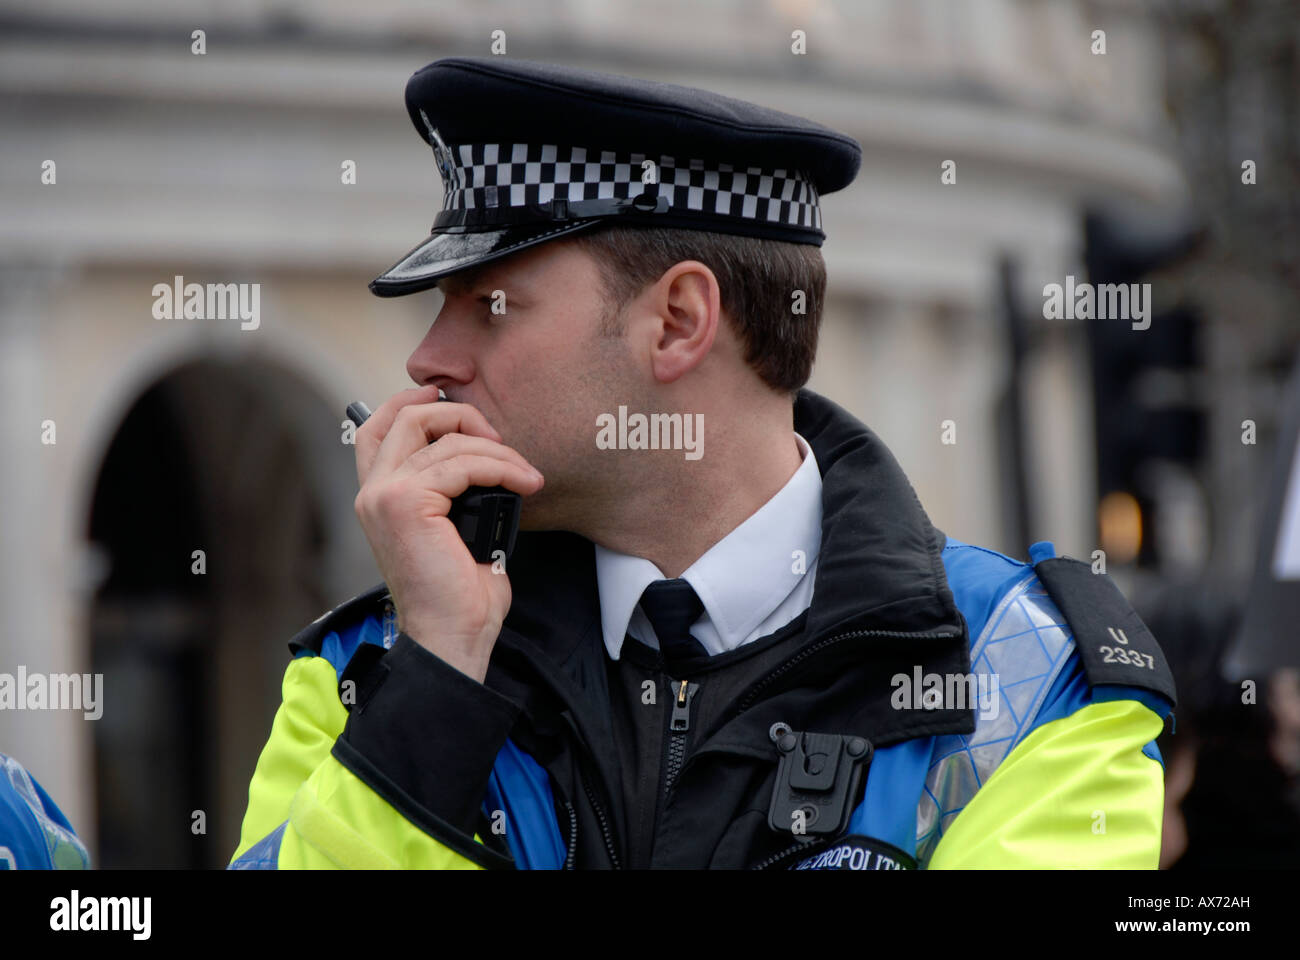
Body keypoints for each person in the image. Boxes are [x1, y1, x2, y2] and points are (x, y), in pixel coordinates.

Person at [229, 57, 1176, 870]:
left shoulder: (1035, 681)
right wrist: (435, 685)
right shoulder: (370, 667)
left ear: (679, 321)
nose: (428, 359)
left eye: (490, 307)